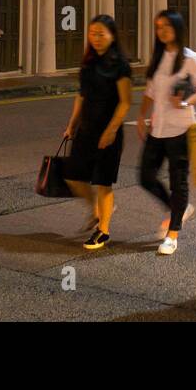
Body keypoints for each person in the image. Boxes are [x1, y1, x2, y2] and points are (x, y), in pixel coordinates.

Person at [137, 10, 196, 255]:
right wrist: (141, 116)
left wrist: (187, 102)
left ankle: (173, 234)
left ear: (178, 28)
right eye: (158, 27)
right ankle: (178, 208)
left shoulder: (190, 58)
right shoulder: (158, 57)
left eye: (166, 26)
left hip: (181, 129)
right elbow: (150, 90)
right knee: (146, 177)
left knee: (179, 180)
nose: (162, 31)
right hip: (157, 128)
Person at [63, 15, 133, 250]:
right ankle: (98, 209)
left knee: (103, 182)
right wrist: (72, 124)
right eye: (92, 33)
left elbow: (125, 102)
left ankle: (103, 231)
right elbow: (81, 95)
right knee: (73, 176)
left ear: (112, 36)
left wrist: (112, 130)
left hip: (109, 132)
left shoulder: (120, 64)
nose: (96, 38)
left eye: (101, 33)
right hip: (86, 129)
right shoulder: (88, 63)